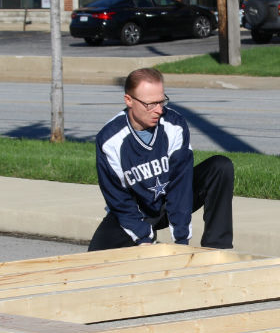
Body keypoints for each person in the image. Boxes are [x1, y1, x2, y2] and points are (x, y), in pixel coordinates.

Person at [88, 67, 234, 251]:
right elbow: (118, 199)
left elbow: (180, 184)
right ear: (129, 100)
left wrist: (181, 242)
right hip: (136, 211)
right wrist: (143, 237)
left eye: (161, 101)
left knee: (220, 167)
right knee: (95, 258)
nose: (158, 110)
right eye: (150, 104)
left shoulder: (174, 125)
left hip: (170, 201)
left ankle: (218, 249)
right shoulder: (110, 140)